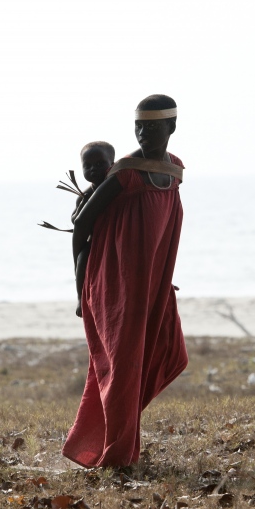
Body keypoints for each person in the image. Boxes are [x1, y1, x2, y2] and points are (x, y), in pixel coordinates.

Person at [62, 95, 188, 468]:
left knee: (165, 353)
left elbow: (165, 226)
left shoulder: (175, 170)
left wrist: (161, 276)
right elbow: (82, 224)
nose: (143, 134)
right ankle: (116, 456)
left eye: (152, 126)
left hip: (151, 283)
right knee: (122, 367)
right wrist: (80, 285)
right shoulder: (126, 172)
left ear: (172, 127)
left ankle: (114, 437)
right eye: (139, 127)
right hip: (114, 284)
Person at [72, 141, 115, 317]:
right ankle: (80, 297)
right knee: (83, 256)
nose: (93, 169)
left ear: (112, 164)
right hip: (95, 242)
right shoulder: (85, 194)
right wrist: (83, 204)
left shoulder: (116, 187)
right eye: (87, 165)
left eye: (99, 164)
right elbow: (76, 220)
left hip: (115, 239)